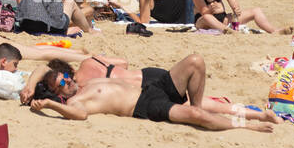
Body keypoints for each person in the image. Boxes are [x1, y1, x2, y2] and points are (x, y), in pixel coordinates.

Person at [28, 53, 276, 131]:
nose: (68, 82)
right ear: (57, 94)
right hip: (145, 107)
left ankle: (255, 114)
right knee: (196, 116)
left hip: (150, 88)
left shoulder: (83, 83)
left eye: (66, 77)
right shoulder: (76, 102)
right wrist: (49, 106)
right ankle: (247, 124)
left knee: (195, 61)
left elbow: (43, 65)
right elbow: (78, 116)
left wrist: (34, 82)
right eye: (61, 84)